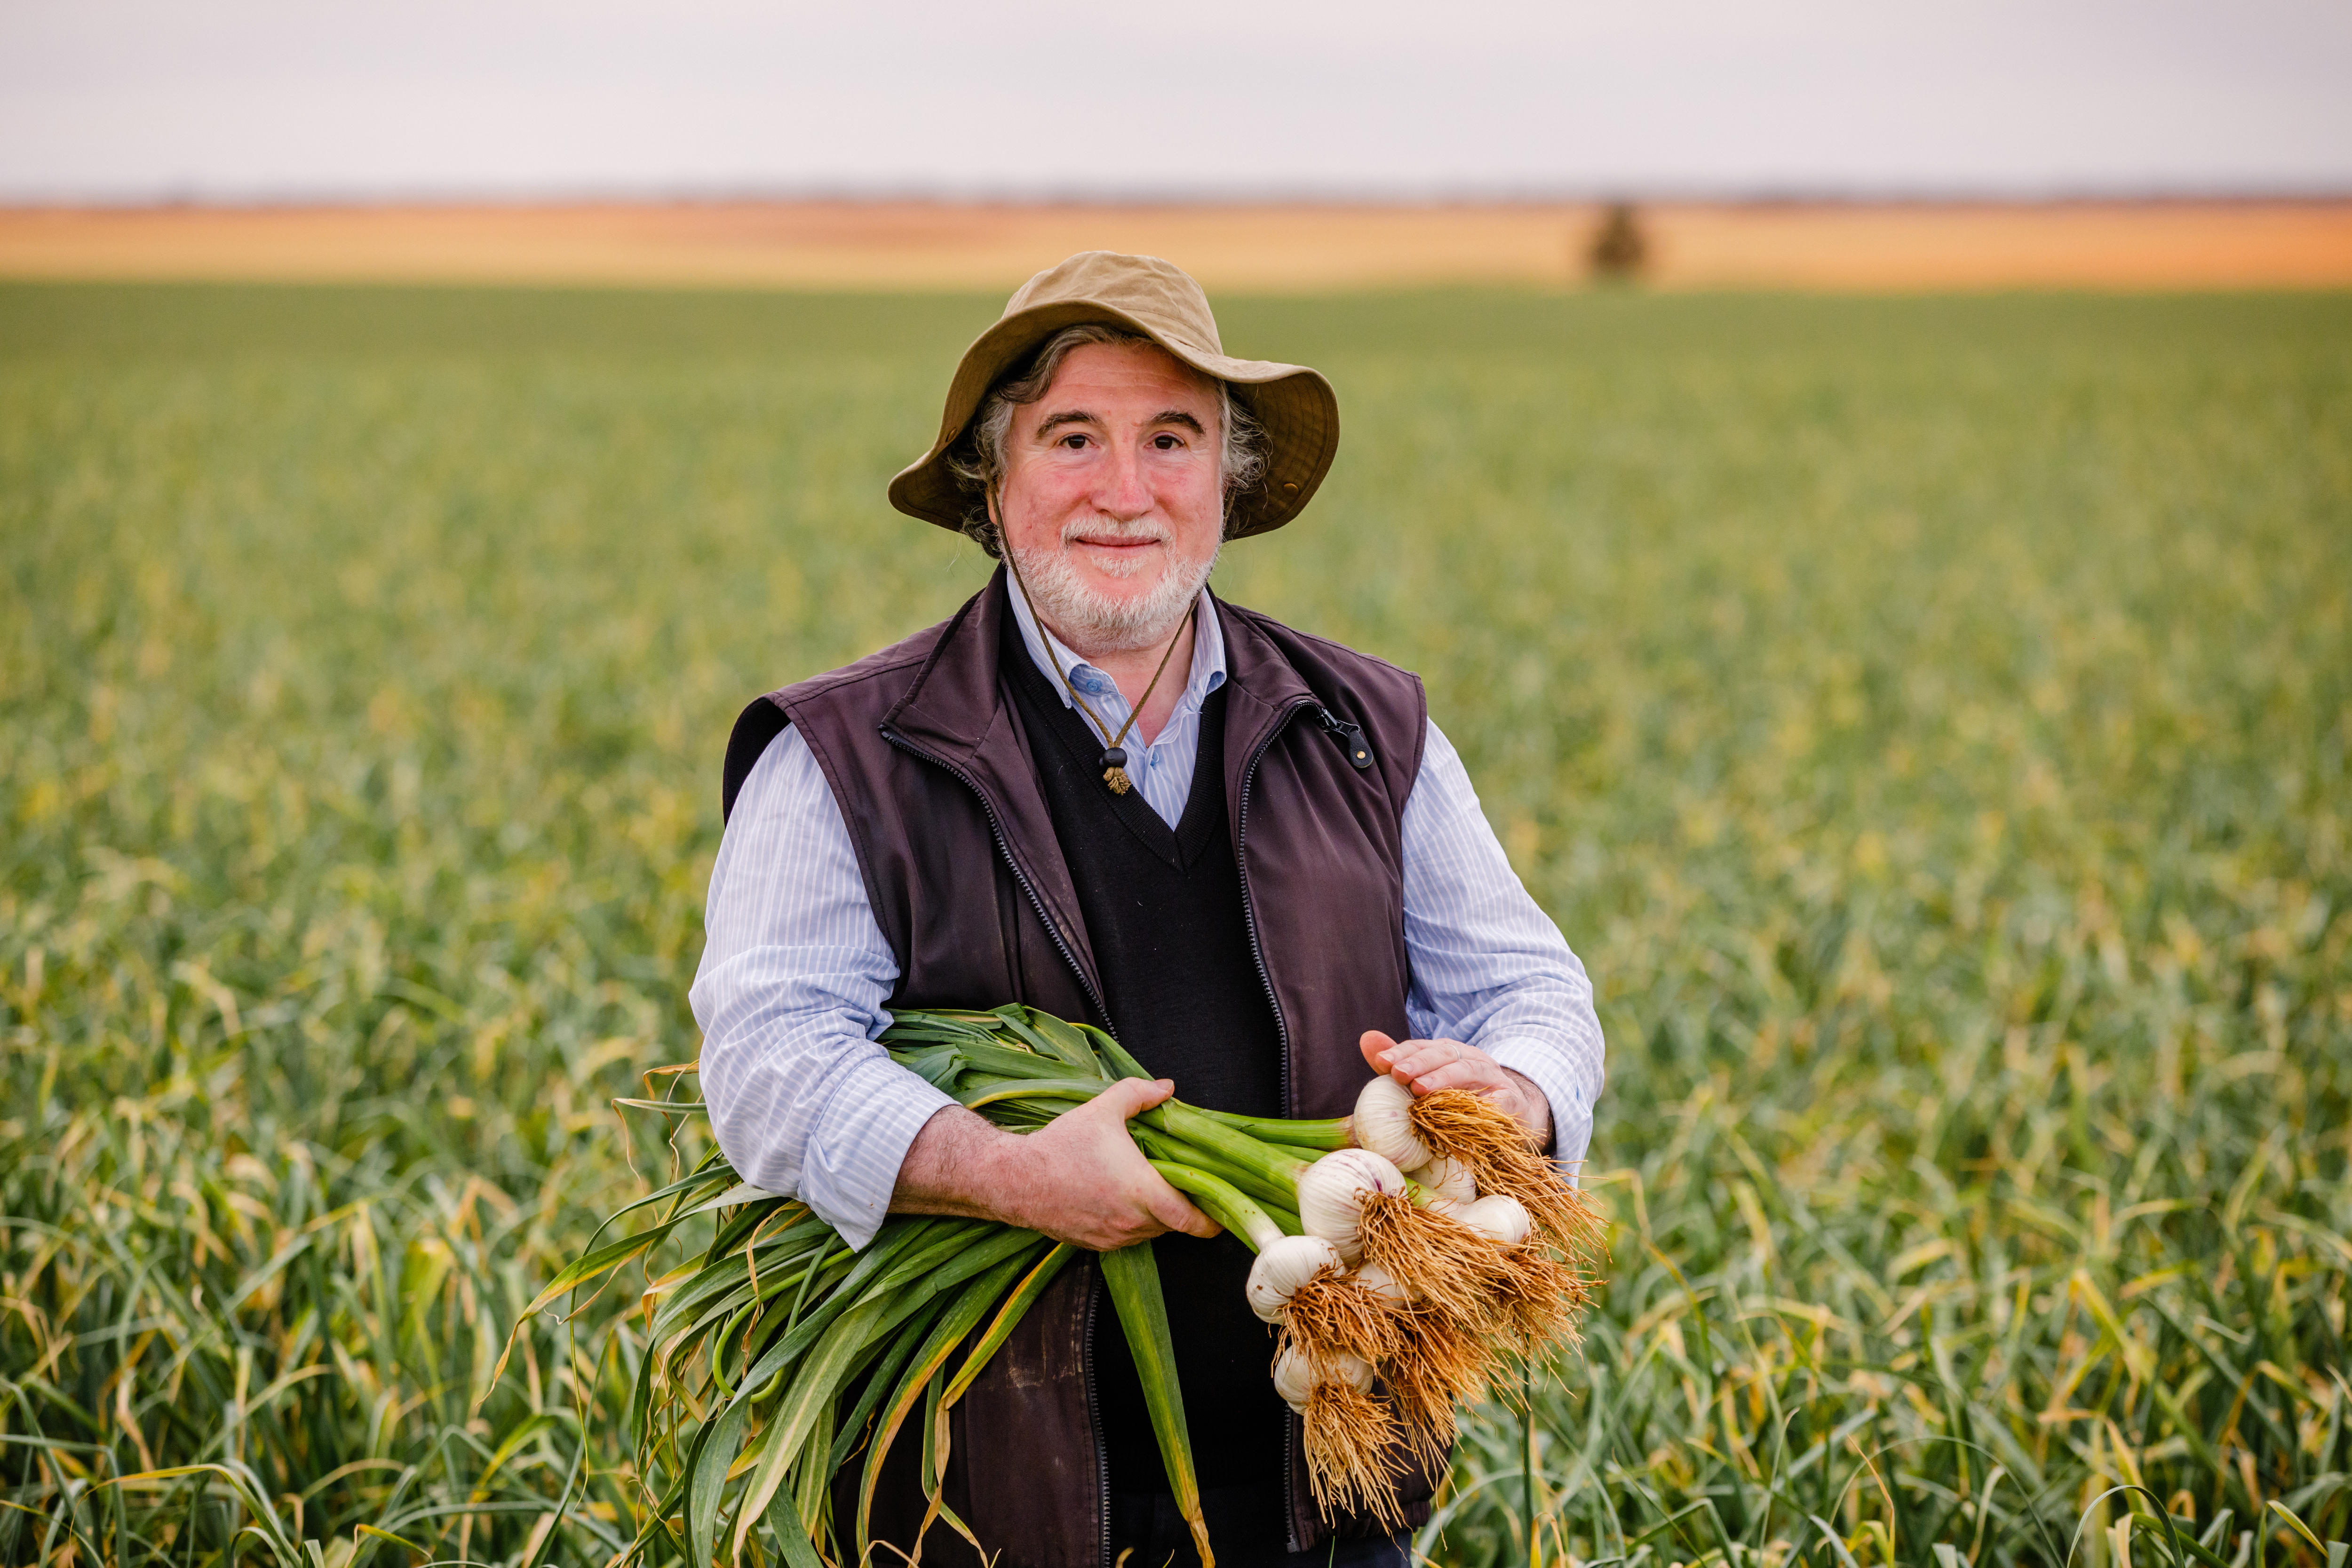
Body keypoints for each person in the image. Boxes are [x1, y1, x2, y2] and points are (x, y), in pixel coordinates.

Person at [692, 251, 1605, 1568]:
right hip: (982, 1528)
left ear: (1224, 488)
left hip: (1334, 1505)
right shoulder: (847, 755)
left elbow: (1535, 995)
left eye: (1170, 440)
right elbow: (770, 1060)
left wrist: (1512, 1092)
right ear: (992, 490)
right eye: (1074, 438)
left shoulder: (1365, 729)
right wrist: (1008, 1177)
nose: (1125, 492)